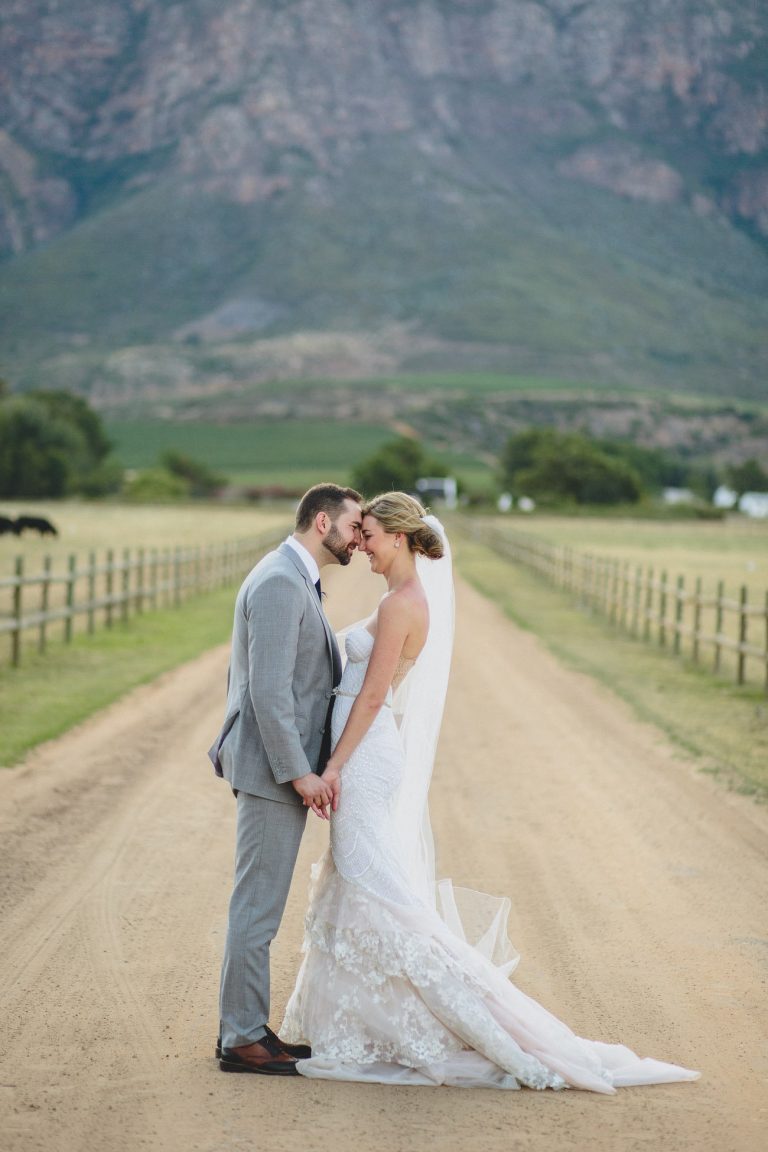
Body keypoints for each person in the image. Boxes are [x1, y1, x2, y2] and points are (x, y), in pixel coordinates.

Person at [281, 492, 700, 1092]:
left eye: (369, 535)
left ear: (398, 538)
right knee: (360, 882)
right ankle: (357, 1023)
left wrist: (336, 766)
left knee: (379, 890)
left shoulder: (403, 603)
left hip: (366, 758)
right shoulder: (397, 598)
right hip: (366, 752)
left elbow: (372, 699)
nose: (361, 546)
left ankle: (463, 1021)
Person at [209, 483, 363, 1075]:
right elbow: (266, 692)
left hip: (278, 769)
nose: (356, 538)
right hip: (274, 771)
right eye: (352, 527)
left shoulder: (292, 576)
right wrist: (299, 773)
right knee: (257, 907)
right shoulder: (279, 582)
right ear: (322, 522)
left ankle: (245, 1028)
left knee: (260, 904)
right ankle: (242, 1039)